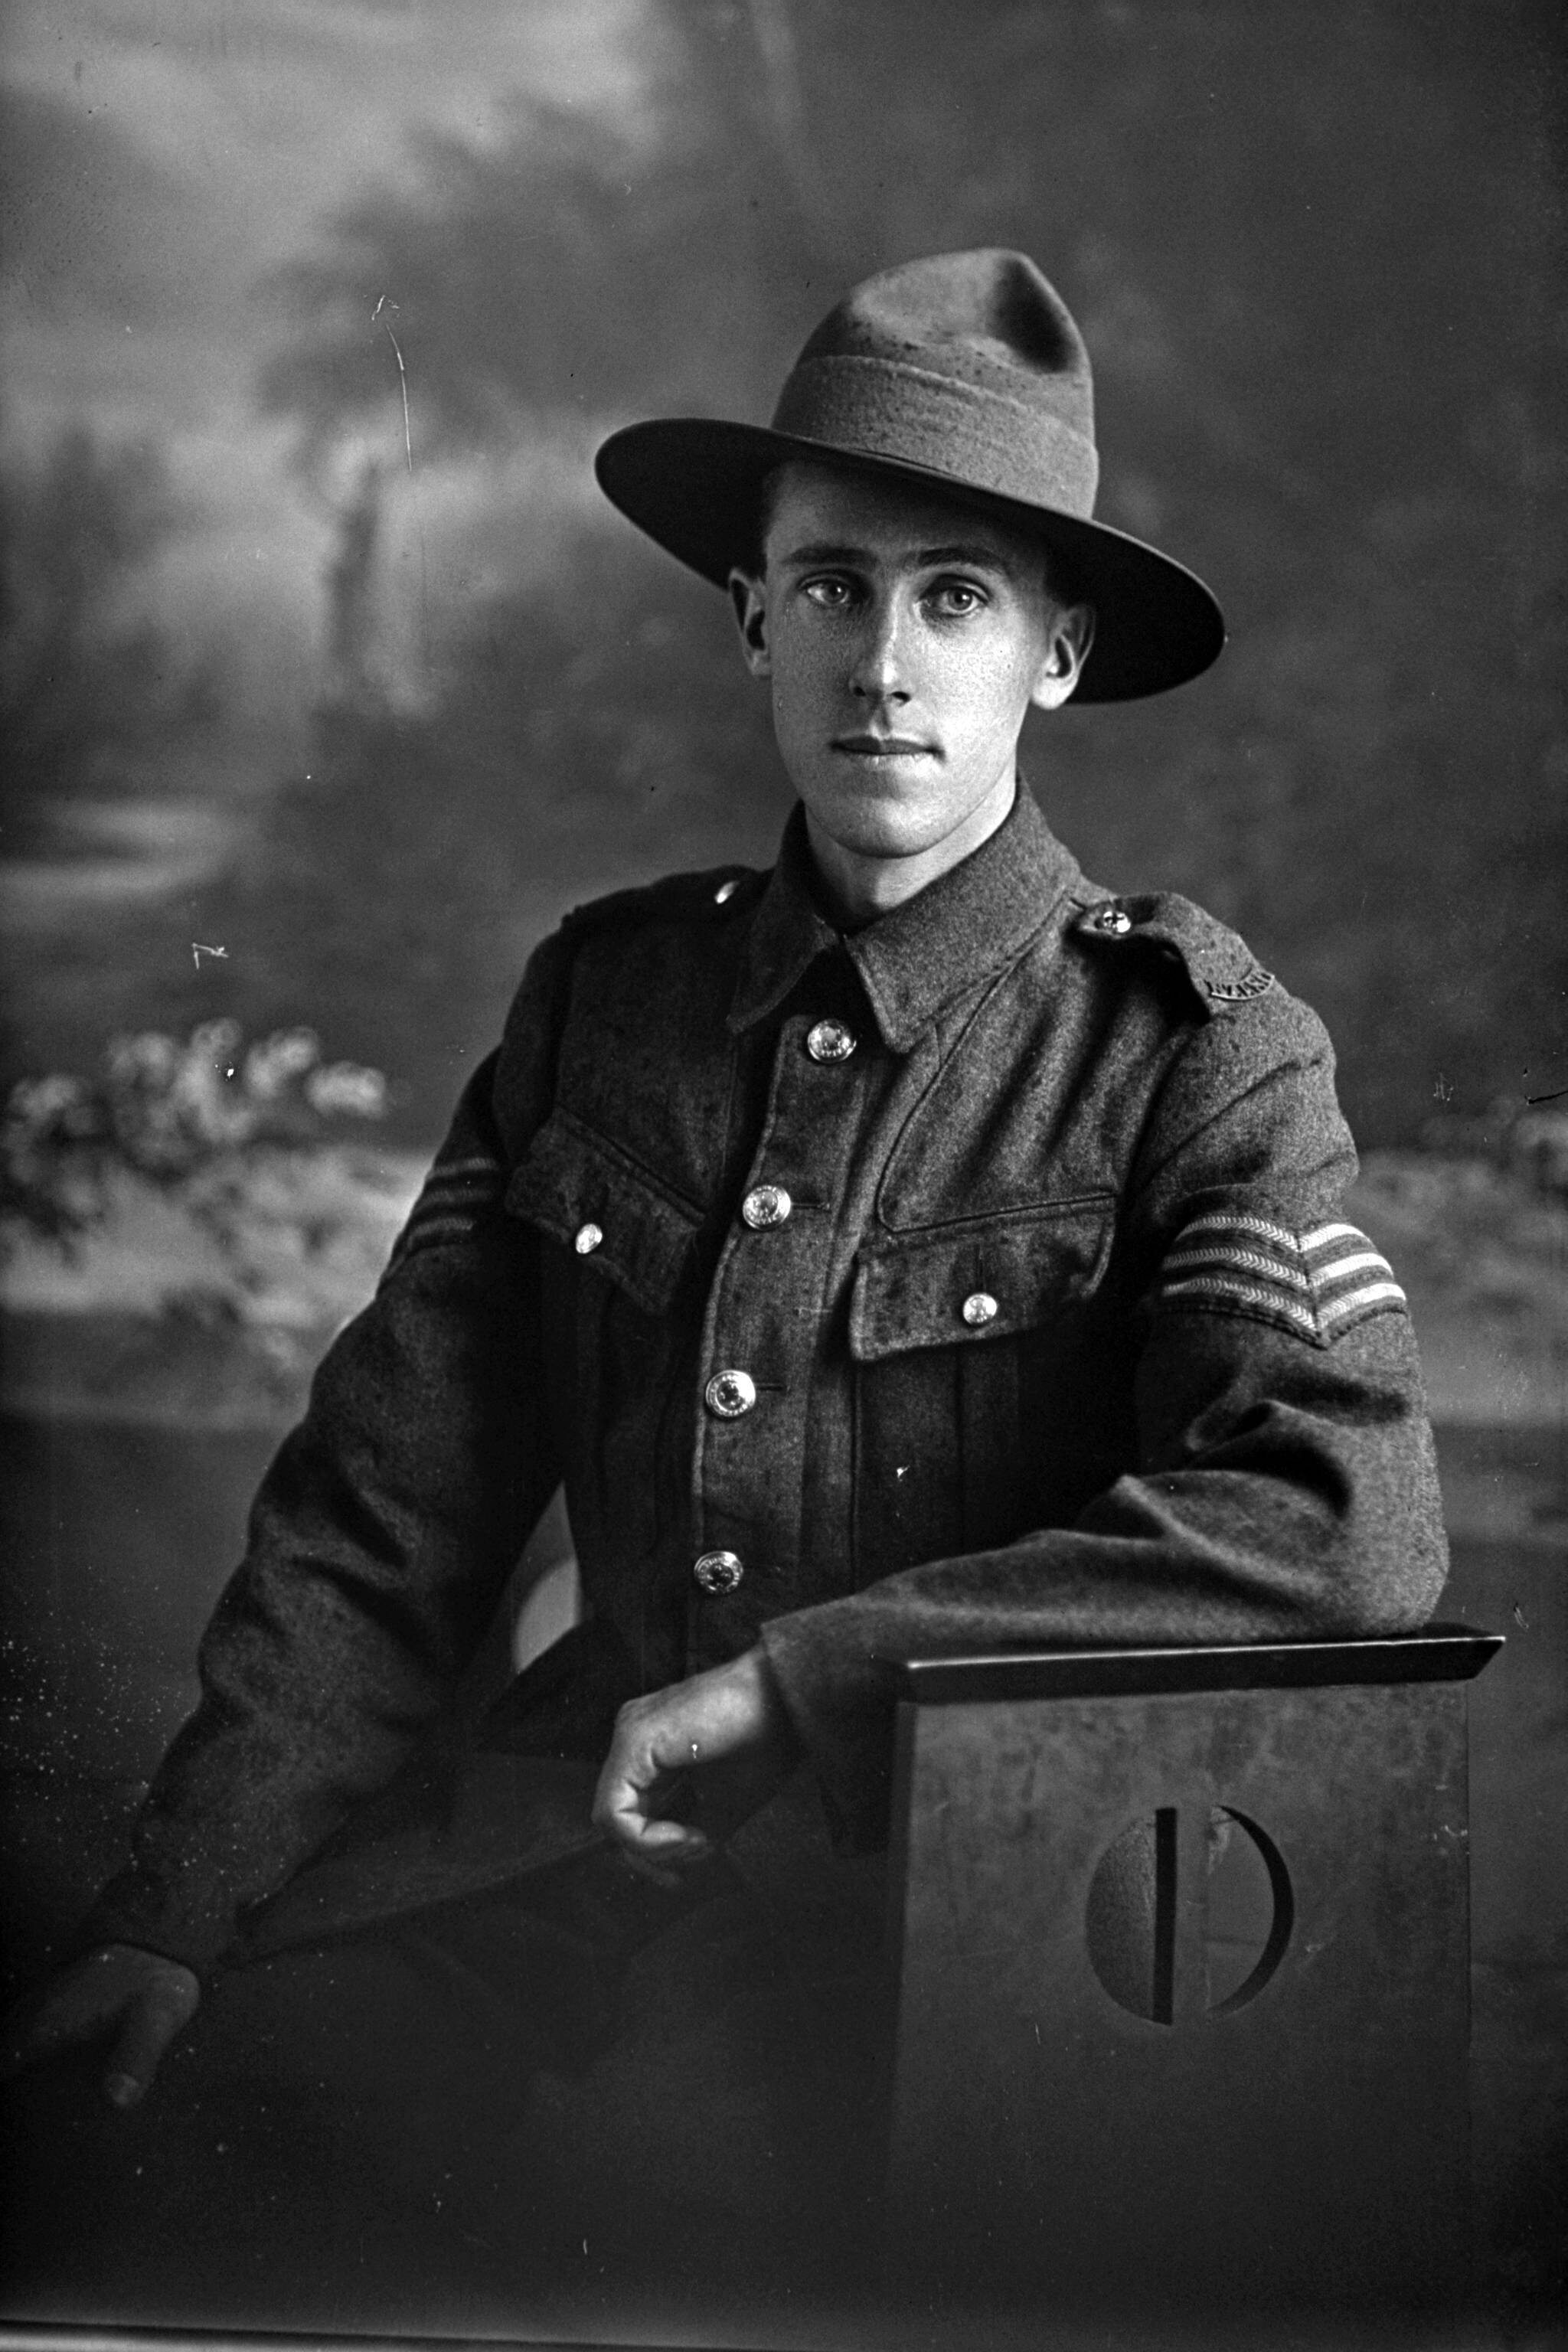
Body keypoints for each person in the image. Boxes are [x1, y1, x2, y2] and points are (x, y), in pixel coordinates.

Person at [1, 250, 1447, 2322]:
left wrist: (804, 1678)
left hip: (937, 1929)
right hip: (537, 1876)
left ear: (1058, 654)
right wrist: (173, 1912)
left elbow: (1342, 1528)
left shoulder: (1192, 1047)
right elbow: (379, 1531)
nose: (885, 659)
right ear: (752, 613)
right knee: (160, 2158)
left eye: (957, 596)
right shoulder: (604, 1003)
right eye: (835, 584)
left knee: (626, 2266)